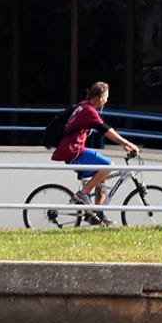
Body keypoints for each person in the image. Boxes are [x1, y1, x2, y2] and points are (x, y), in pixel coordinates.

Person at [51, 81, 139, 223]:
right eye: (106, 97)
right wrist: (127, 143)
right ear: (99, 97)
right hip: (74, 151)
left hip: (72, 149)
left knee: (102, 177)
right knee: (109, 166)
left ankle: (97, 215)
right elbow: (105, 130)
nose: (107, 100)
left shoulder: (82, 106)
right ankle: (83, 193)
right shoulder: (89, 111)